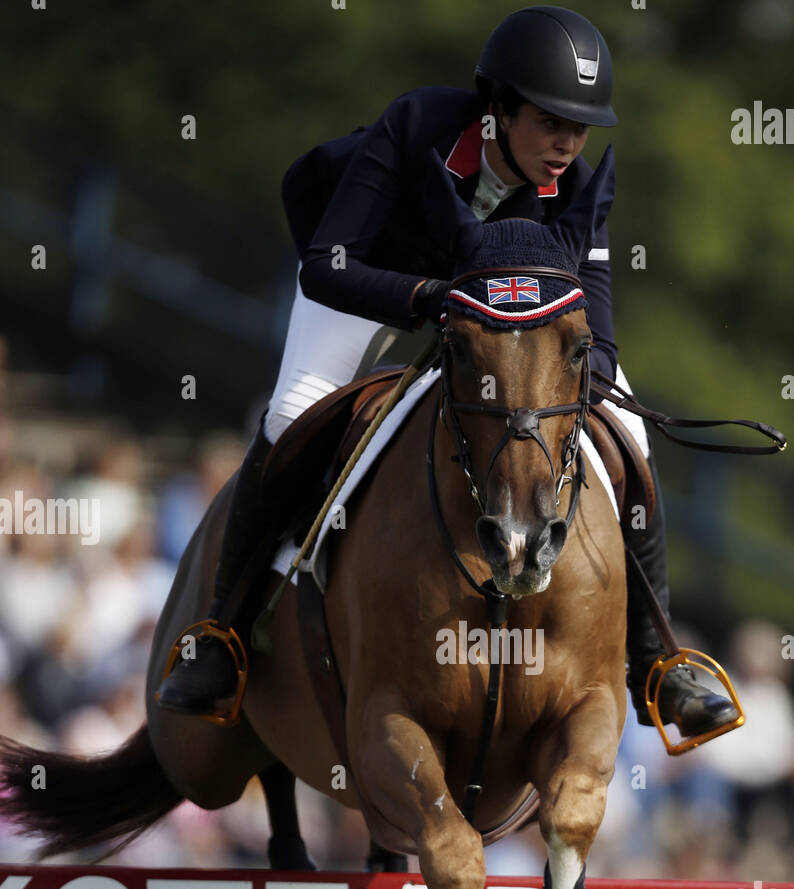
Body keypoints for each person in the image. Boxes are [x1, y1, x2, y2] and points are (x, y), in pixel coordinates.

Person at [156, 5, 736, 741]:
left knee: (629, 430)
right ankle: (221, 639)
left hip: (495, 332)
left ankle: (658, 660)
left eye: (580, 127)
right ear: (497, 109)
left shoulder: (579, 188)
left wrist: (561, 388)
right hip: (375, 280)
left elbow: (601, 340)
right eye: (551, 120)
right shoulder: (417, 129)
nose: (566, 144)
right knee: (291, 412)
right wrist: (432, 299)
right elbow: (328, 265)